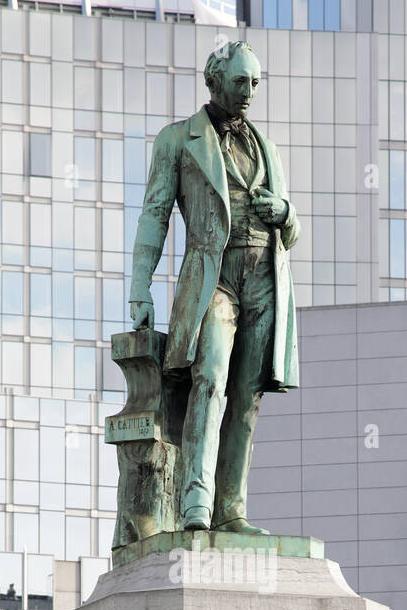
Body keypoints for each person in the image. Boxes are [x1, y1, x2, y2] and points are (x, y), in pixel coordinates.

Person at [128, 40, 300, 534]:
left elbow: (293, 232)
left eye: (255, 83)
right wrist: (141, 289)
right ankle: (196, 504)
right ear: (215, 79)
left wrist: (284, 213)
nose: (249, 92)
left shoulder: (267, 147)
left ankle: (232, 510)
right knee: (210, 382)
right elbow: (154, 216)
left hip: (266, 279)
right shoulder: (178, 140)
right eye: (241, 81)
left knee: (247, 398)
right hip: (214, 277)